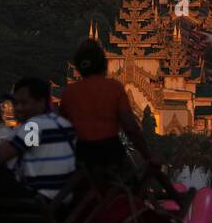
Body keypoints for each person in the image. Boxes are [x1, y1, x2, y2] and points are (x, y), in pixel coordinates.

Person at [57, 37, 152, 177]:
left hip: (82, 155)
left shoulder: (69, 93)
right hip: (111, 153)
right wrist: (148, 156)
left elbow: (63, 131)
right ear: (103, 65)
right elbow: (131, 128)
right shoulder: (114, 88)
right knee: (133, 186)